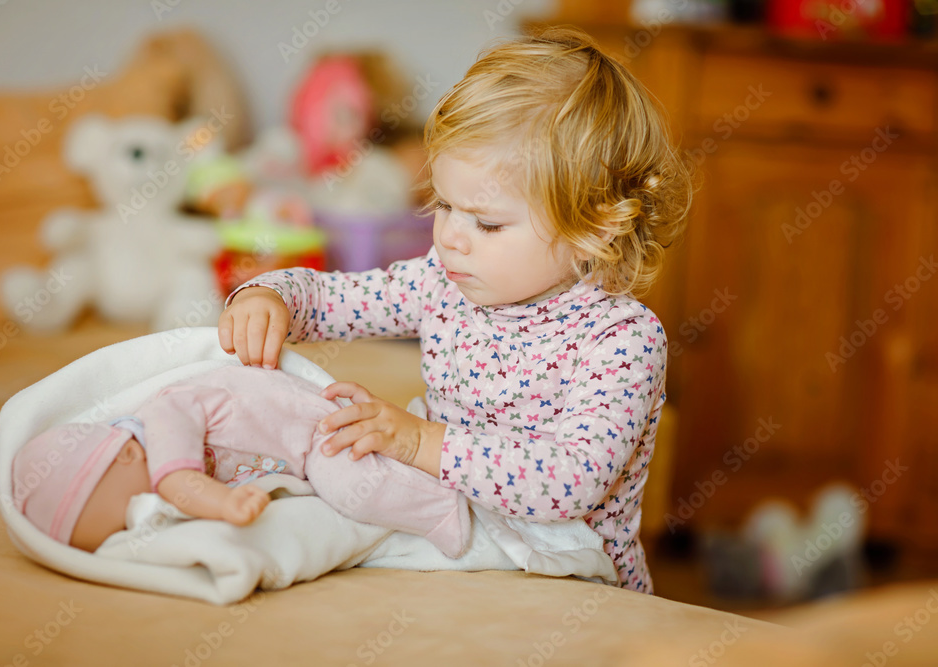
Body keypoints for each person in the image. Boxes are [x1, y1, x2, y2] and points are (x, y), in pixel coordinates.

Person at [218, 27, 692, 593]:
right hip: (447, 527)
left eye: (487, 222)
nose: (452, 237)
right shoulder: (443, 281)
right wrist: (272, 296)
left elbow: (570, 481)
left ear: (594, 226)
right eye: (444, 204)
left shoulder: (621, 339)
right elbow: (338, 299)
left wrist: (418, 442)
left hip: (565, 572)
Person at [12, 365, 470, 555]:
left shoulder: (163, 417)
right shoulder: (142, 456)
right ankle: (414, 439)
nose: (144, 513)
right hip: (297, 450)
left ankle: (449, 509)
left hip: (310, 433)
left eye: (131, 505)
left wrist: (225, 508)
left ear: (127, 451)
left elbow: (180, 485)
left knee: (353, 491)